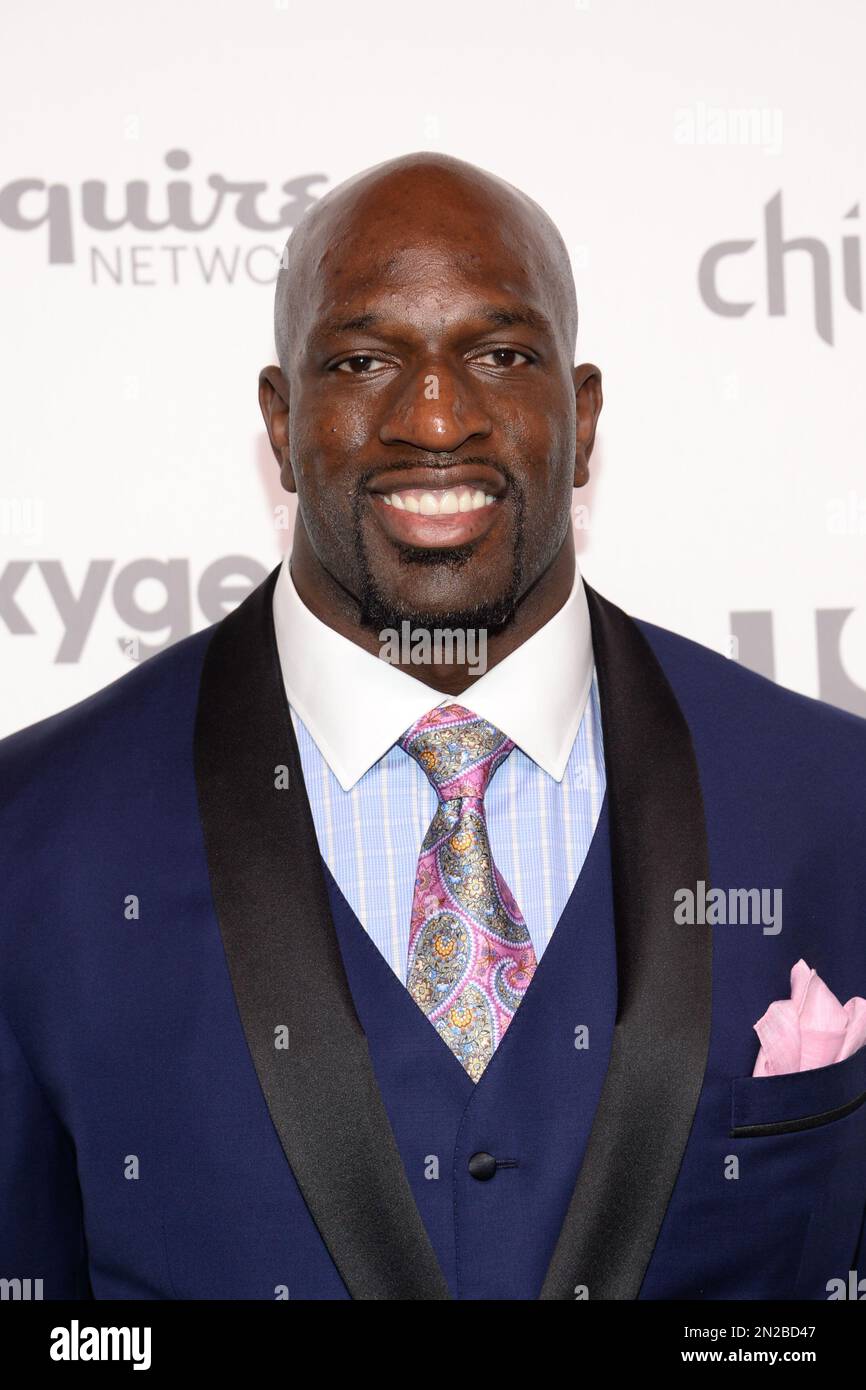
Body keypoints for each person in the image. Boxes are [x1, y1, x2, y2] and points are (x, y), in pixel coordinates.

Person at [1, 152, 864, 1301]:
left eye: (500, 355)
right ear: (280, 419)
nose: (436, 415)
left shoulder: (831, 803)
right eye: (363, 361)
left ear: (583, 411)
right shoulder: (35, 838)